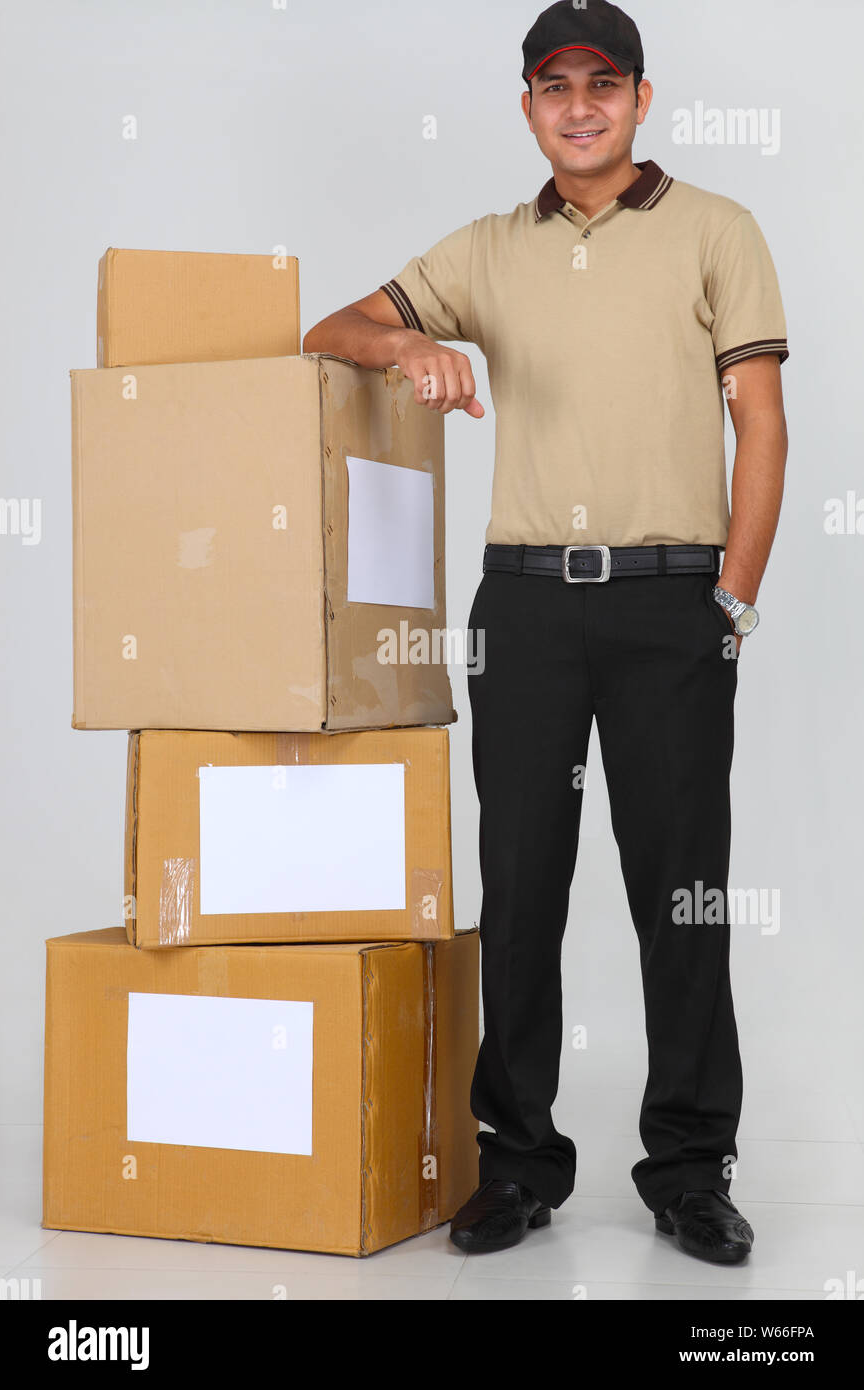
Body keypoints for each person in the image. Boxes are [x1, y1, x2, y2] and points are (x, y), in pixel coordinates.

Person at [302, 0, 789, 1265]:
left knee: (677, 893)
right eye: (552, 84)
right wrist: (410, 338)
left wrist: (730, 597)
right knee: (518, 886)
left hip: (669, 601)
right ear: (525, 103)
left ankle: (688, 1166)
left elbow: (761, 424)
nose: (579, 104)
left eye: (602, 82)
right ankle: (517, 1164)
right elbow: (328, 333)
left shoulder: (715, 232)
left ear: (639, 97)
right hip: (522, 604)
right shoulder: (484, 248)